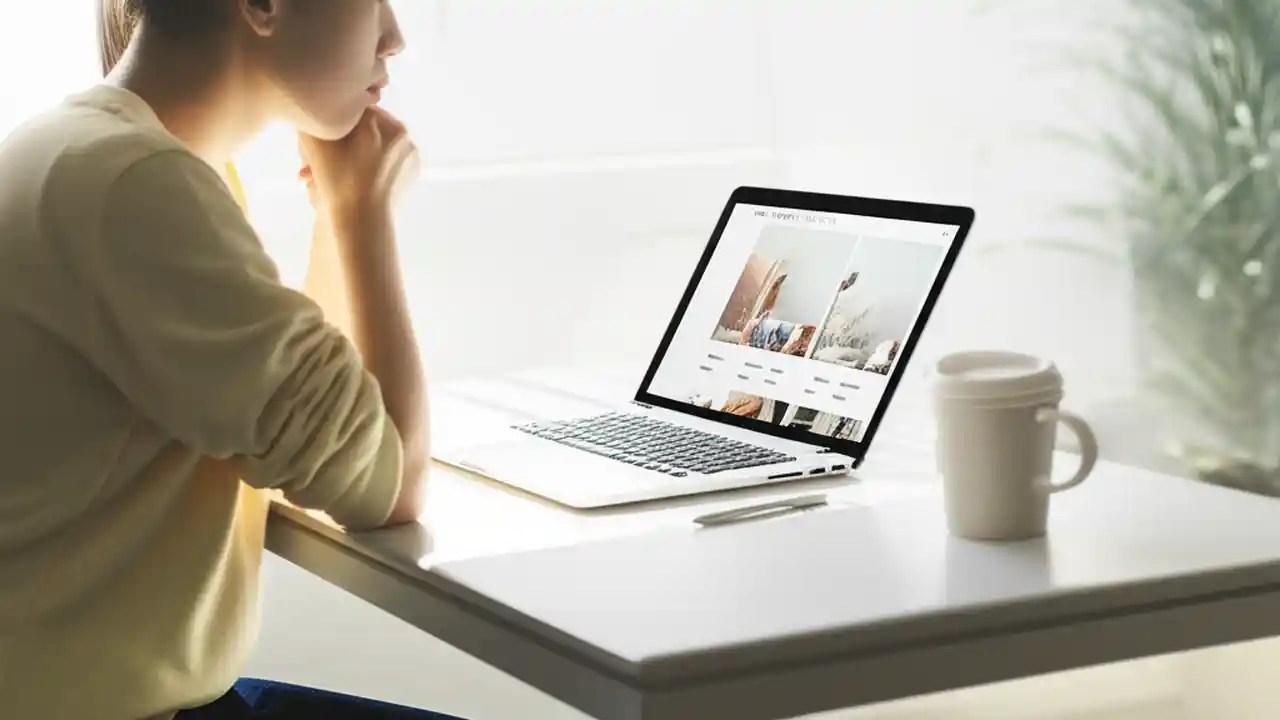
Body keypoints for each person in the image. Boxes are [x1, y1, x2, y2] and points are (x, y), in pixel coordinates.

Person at [0, 0, 455, 717]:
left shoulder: (99, 153)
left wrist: (336, 205)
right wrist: (362, 213)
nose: (393, 38)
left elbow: (319, 424)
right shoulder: (135, 188)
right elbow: (386, 483)